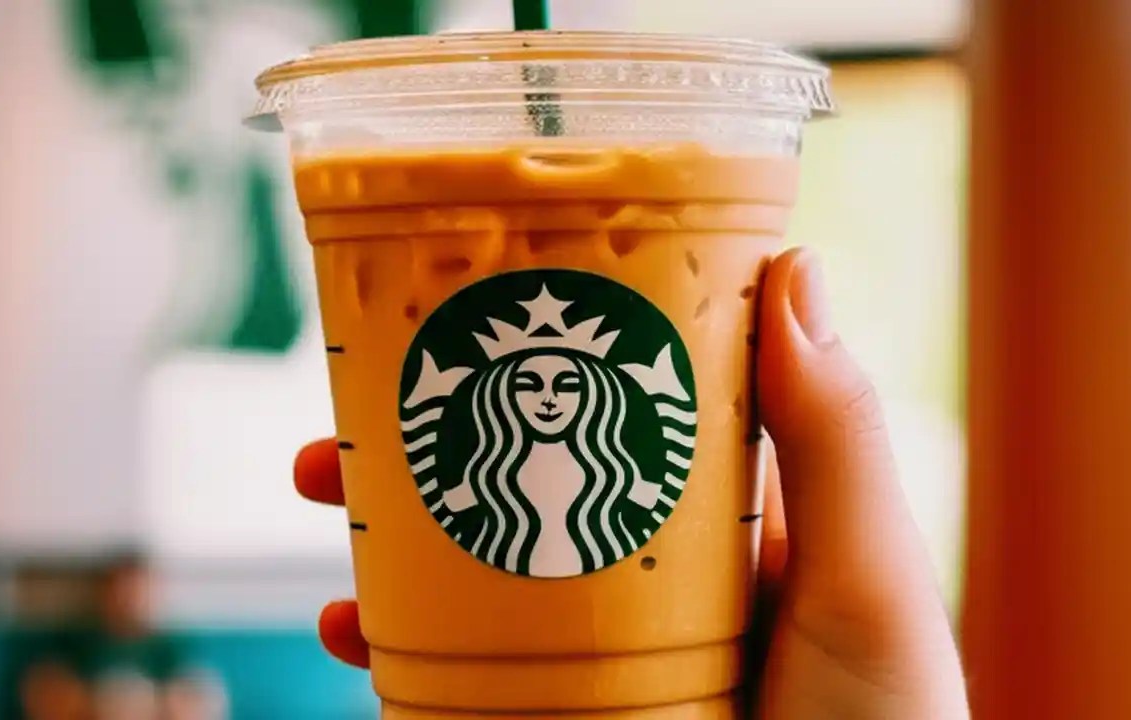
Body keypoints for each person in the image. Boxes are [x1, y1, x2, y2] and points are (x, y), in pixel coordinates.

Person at [293, 248, 970, 718]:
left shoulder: (611, 487)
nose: (548, 400)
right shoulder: (486, 488)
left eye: (567, 382)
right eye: (527, 381)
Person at [16, 554, 226, 720]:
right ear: (105, 591)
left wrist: (148, 707)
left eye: (138, 590)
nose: (129, 599)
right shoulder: (76, 640)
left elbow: (197, 701)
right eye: (122, 588)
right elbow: (46, 696)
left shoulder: (170, 645)